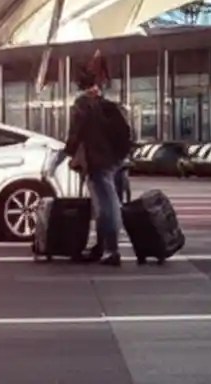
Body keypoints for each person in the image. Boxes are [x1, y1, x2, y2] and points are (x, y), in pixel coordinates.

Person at [63, 53, 127, 267]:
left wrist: (68, 153)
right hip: (116, 161)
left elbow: (76, 133)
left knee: (107, 207)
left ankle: (111, 249)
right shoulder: (108, 104)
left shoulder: (82, 104)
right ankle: (103, 248)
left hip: (97, 161)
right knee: (108, 204)